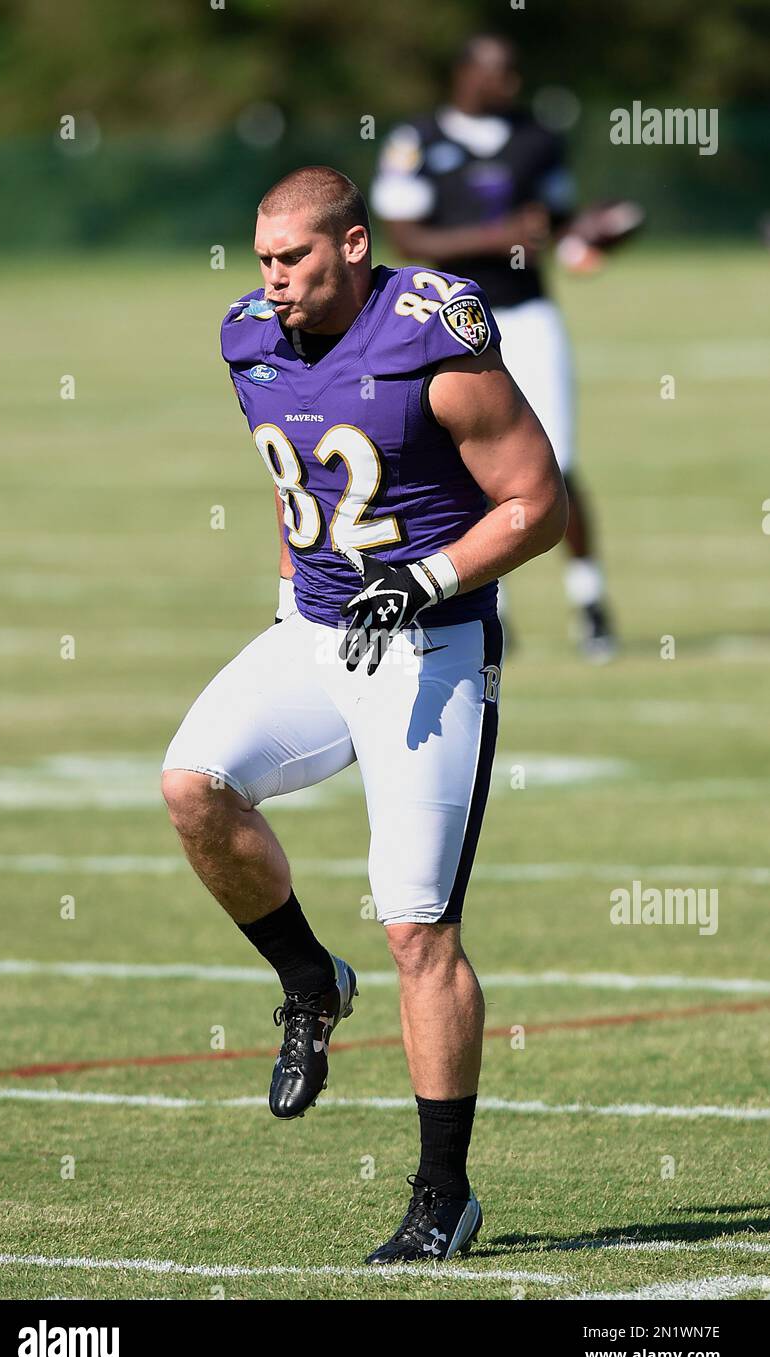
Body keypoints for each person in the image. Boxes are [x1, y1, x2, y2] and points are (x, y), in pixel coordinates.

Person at [161, 165, 567, 1263]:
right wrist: (301, 591)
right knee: (193, 785)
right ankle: (306, 977)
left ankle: (444, 1195)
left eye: (292, 258)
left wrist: (430, 578)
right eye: (261, 260)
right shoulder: (245, 337)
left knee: (417, 927)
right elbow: (307, 494)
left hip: (429, 643)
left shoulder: (431, 333)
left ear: (352, 246)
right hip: (317, 630)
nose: (271, 281)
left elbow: (537, 502)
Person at [371, 32, 616, 659]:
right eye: (497, 72)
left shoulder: (536, 137)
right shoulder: (418, 140)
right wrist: (496, 234)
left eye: (513, 72)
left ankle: (590, 602)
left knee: (555, 460)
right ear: (465, 74)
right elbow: (404, 239)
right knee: (471, 467)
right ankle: (491, 609)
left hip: (527, 312)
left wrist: (595, 233)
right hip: (447, 323)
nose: (508, 85)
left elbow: (559, 228)